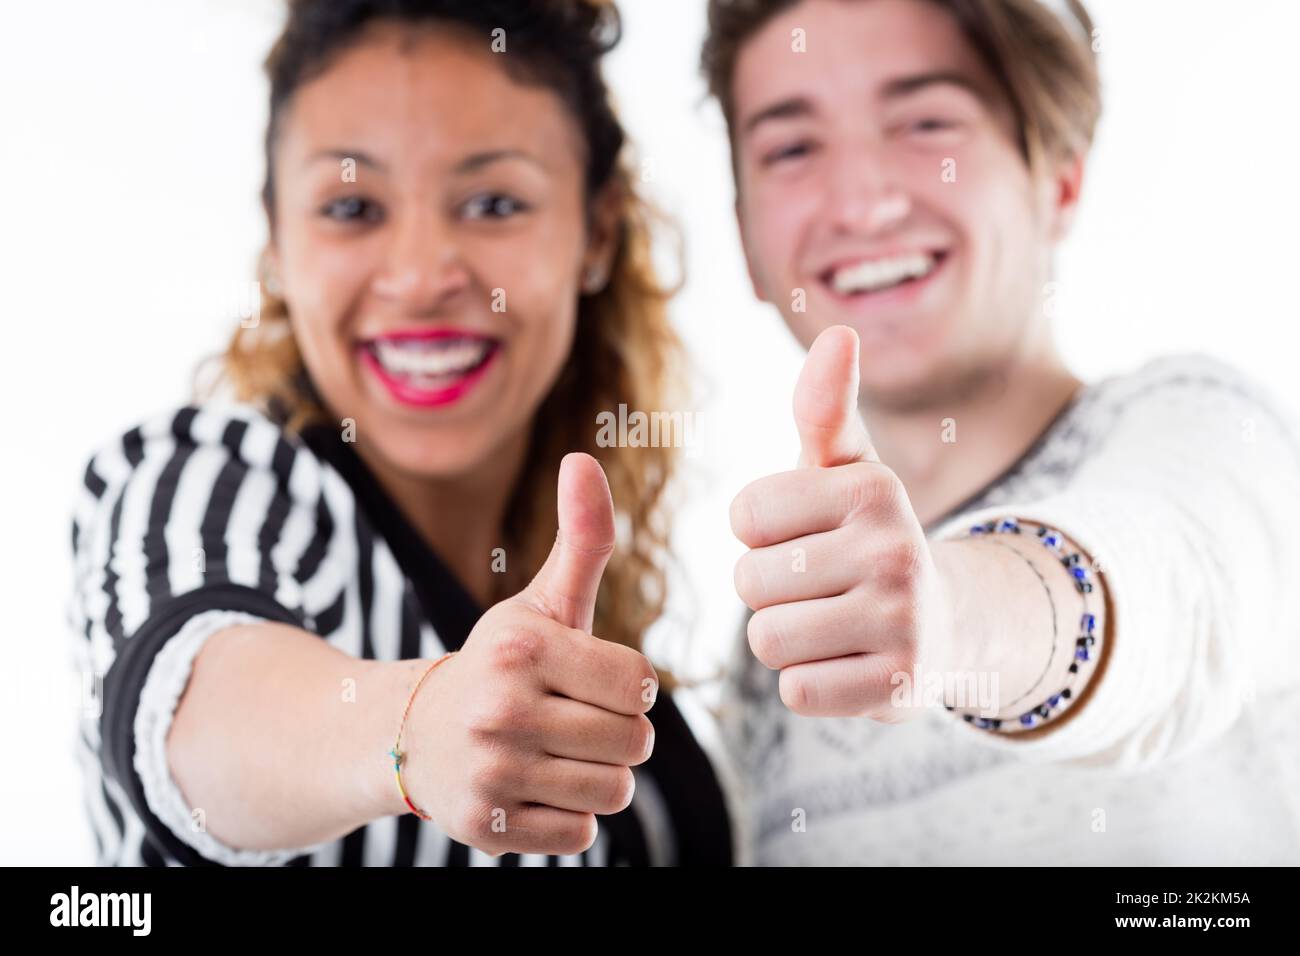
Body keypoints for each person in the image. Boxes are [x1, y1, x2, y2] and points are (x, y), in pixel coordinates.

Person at [67, 0, 732, 867]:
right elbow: (191, 714)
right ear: (277, 239)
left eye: (493, 202)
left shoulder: (586, 592)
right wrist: (417, 725)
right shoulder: (206, 482)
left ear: (595, 234)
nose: (420, 277)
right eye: (352, 207)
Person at [703, 0, 1300, 863]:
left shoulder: (1205, 429)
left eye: (926, 122)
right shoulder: (775, 652)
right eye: (793, 148)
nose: (864, 203)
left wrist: (954, 620)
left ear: (1057, 177)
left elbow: (1180, 580)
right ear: (748, 242)